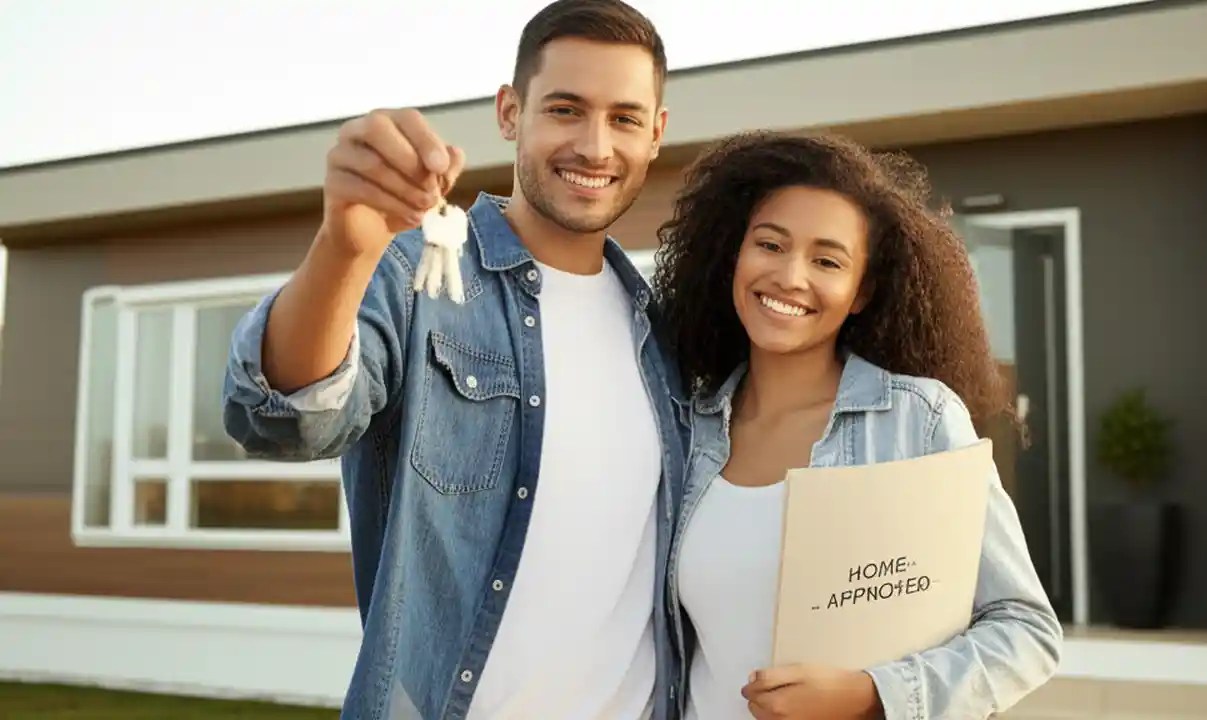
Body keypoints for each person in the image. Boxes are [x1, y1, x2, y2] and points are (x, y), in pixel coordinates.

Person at [221, 1, 690, 718]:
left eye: (624, 118)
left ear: (656, 133)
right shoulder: (417, 271)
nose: (596, 146)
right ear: (510, 113)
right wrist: (346, 247)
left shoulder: (663, 336)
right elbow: (283, 418)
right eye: (565, 109)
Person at [650, 130, 1063, 719]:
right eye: (770, 245)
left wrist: (874, 696)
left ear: (862, 291)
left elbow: (1025, 630)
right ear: (734, 255)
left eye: (826, 260)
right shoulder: (685, 429)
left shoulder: (916, 422)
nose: (791, 277)